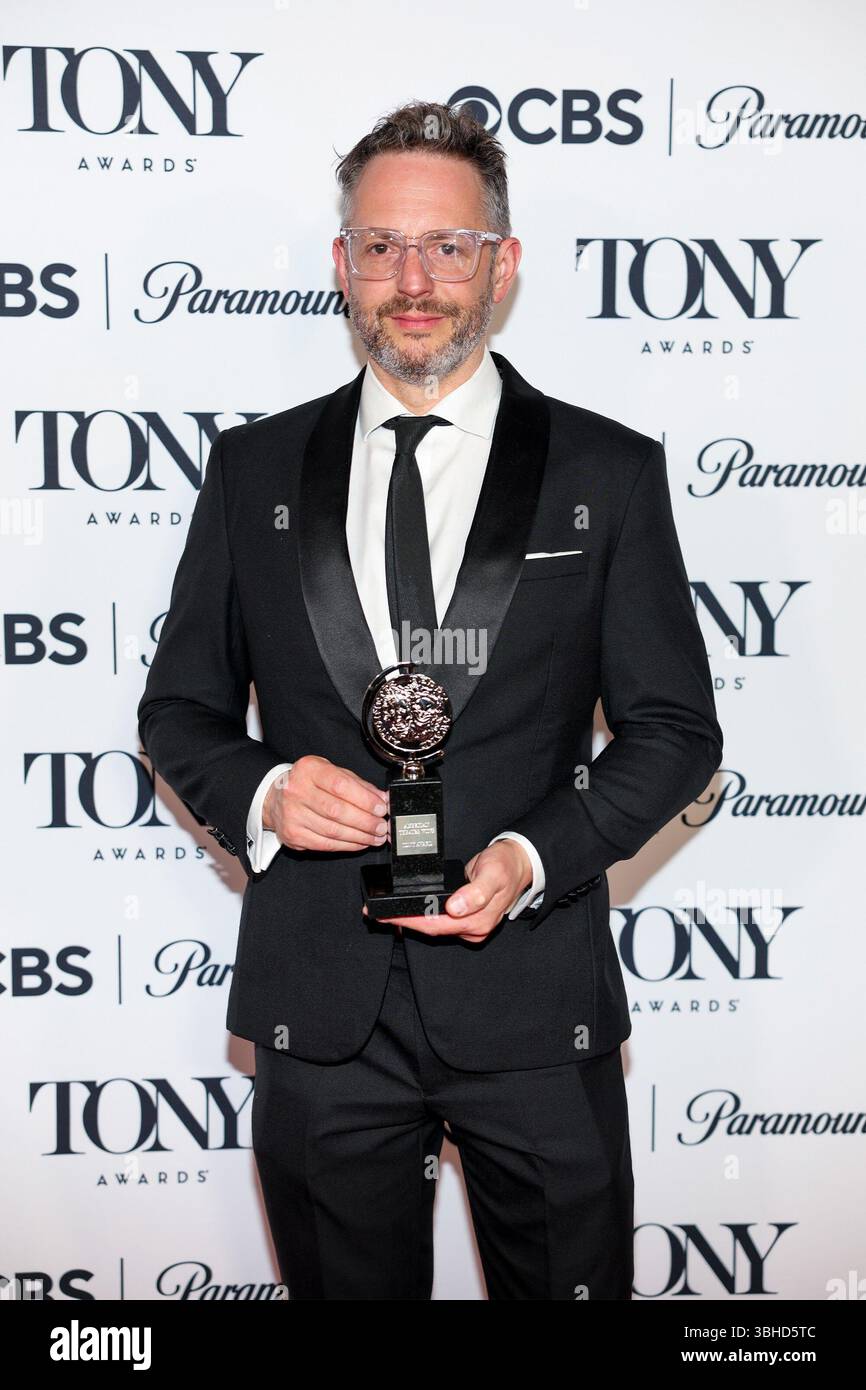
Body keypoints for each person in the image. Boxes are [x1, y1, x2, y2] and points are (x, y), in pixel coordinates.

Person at [137, 100, 723, 1301]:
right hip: (319, 1007)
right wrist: (263, 789)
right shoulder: (252, 472)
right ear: (342, 265)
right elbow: (177, 710)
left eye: (447, 246)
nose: (415, 279)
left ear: (500, 266)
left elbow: (673, 732)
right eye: (384, 246)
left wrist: (527, 854)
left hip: (533, 998)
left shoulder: (604, 472)